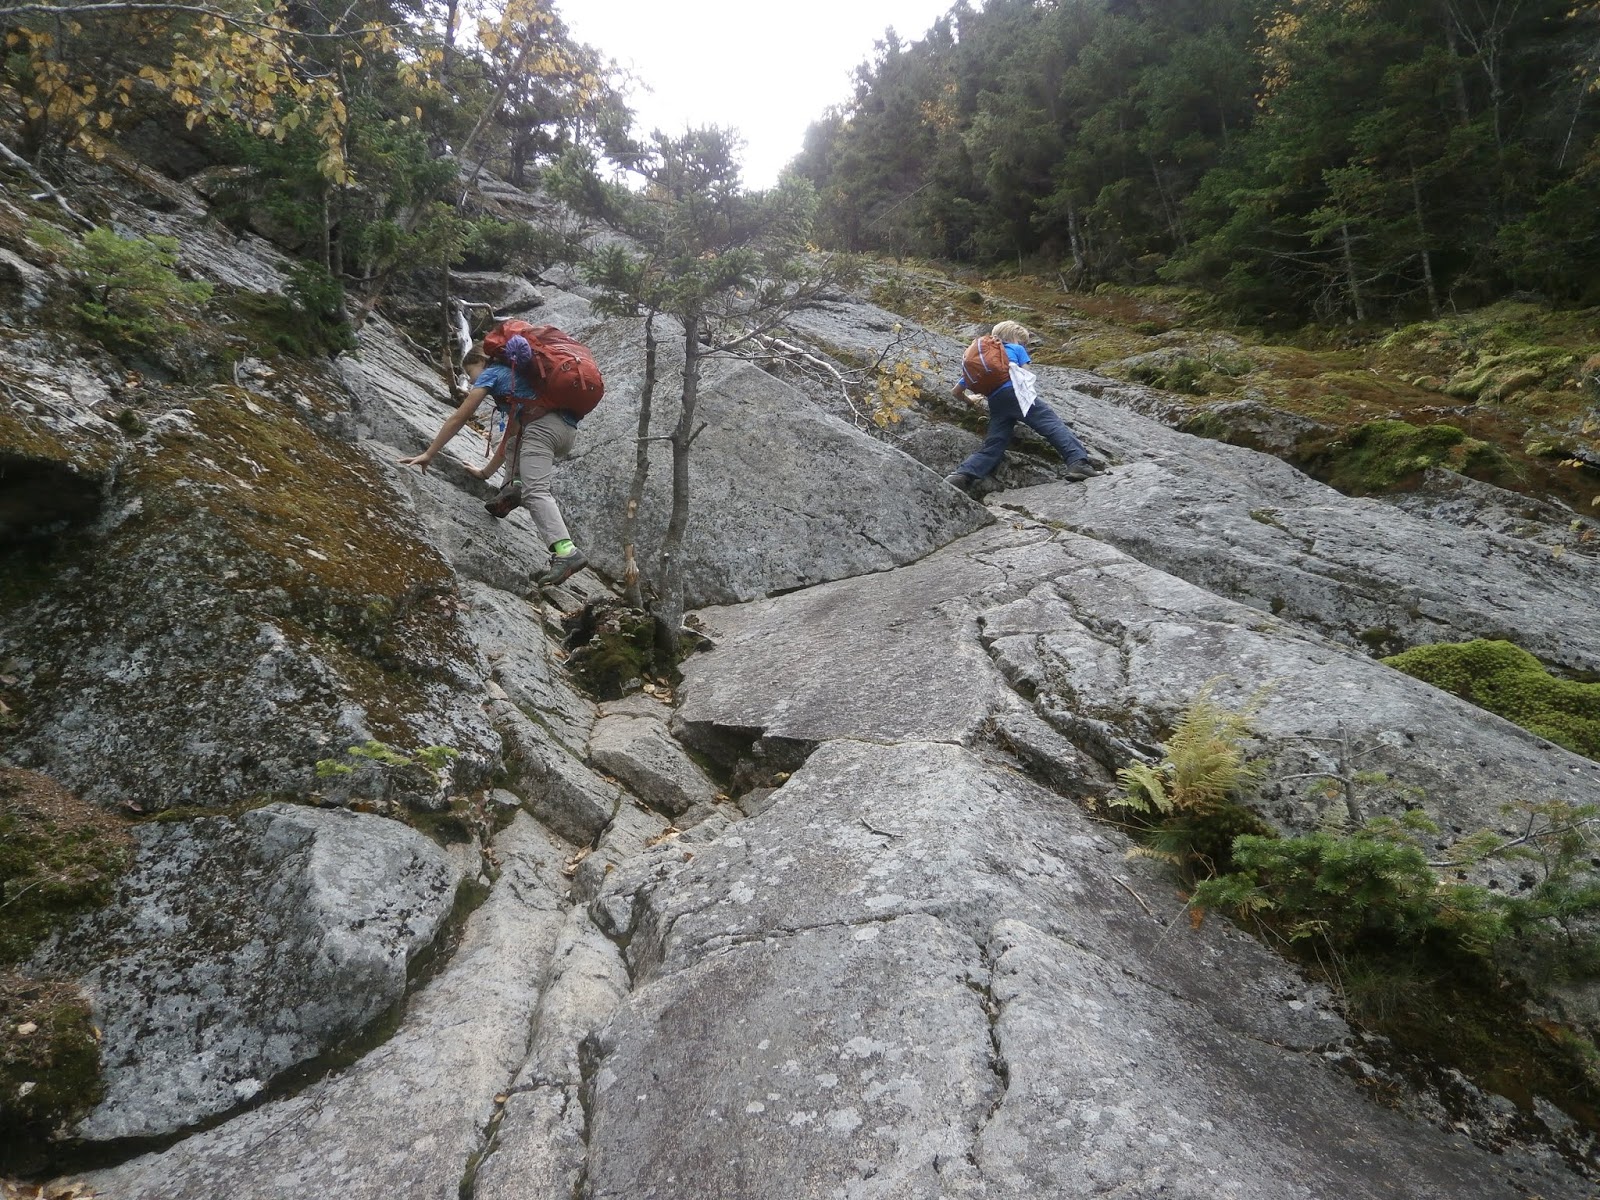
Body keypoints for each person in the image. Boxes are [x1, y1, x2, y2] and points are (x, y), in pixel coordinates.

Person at [399, 341, 587, 588]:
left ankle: (566, 551)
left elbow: (459, 417)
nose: (471, 378)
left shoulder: (492, 373)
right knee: (513, 445)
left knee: (537, 491)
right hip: (564, 431)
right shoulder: (520, 385)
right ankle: (512, 487)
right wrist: (484, 473)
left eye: (469, 372)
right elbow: (509, 439)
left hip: (543, 431)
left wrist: (429, 453)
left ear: (480, 361)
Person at [945, 320, 1102, 494]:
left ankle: (963, 474)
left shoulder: (982, 362)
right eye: (1023, 342)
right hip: (1016, 394)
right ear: (1014, 338)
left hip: (996, 402)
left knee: (994, 443)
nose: (1023, 345)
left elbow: (956, 392)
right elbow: (1026, 375)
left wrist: (971, 401)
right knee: (1051, 424)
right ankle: (1078, 462)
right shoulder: (1016, 349)